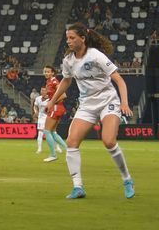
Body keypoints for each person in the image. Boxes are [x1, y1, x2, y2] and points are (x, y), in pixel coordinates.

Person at [44, 24, 134, 200]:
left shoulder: (96, 56)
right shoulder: (68, 61)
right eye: (67, 38)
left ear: (83, 38)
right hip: (87, 105)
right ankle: (78, 187)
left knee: (108, 141)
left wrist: (124, 103)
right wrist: (52, 101)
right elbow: (65, 82)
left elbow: (119, 81)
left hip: (108, 101)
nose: (68, 41)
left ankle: (127, 179)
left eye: (72, 38)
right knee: (72, 141)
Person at [40, 64, 67, 163]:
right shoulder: (49, 82)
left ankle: (53, 154)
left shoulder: (54, 81)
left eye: (48, 71)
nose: (46, 73)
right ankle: (68, 150)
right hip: (58, 107)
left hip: (56, 107)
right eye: (45, 71)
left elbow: (63, 95)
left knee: (47, 131)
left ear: (52, 73)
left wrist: (52, 102)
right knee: (52, 132)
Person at [33, 90, 51, 155]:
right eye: (41, 90)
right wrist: (36, 112)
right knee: (40, 133)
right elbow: (35, 106)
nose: (42, 92)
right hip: (41, 117)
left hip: (49, 117)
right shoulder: (38, 98)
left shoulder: (50, 99)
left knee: (53, 132)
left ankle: (57, 147)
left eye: (44, 90)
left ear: (46, 91)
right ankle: (39, 149)